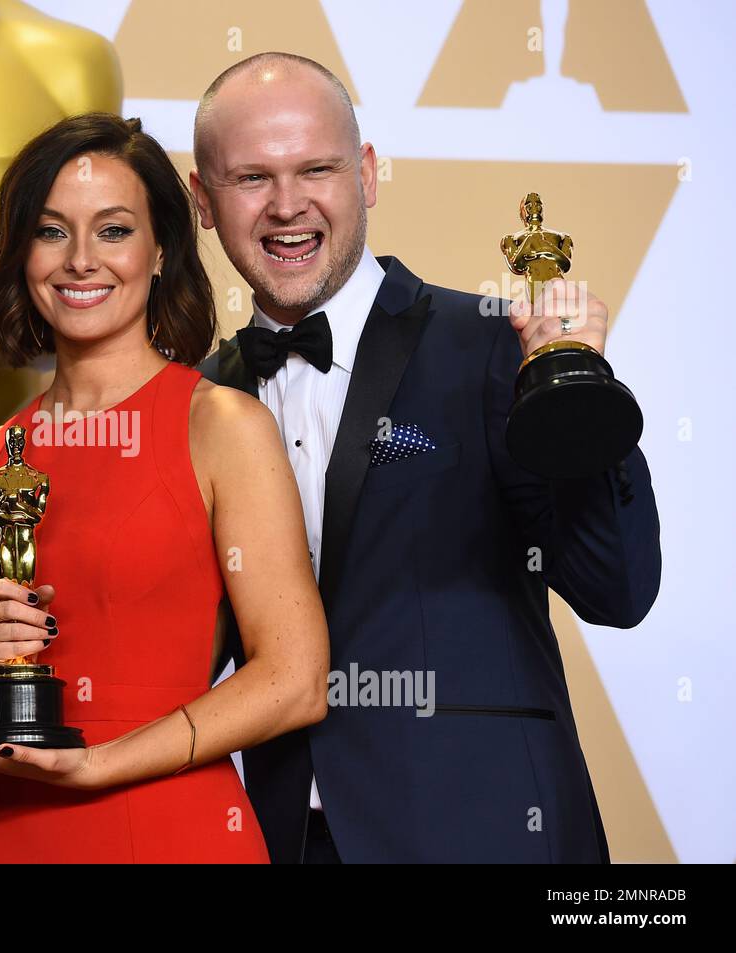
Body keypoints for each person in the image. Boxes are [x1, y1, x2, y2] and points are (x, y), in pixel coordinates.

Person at [191, 53, 662, 863]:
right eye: (251, 179)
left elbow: (617, 588)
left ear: (368, 174)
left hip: (484, 831)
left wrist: (579, 404)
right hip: (282, 841)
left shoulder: (488, 343)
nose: (287, 205)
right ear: (203, 199)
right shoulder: (198, 401)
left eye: (317, 168)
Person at [0, 112, 330, 863]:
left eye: (113, 231)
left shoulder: (221, 426)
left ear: (161, 249)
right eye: (50, 231)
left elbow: (296, 679)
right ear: (20, 253)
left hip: (166, 826)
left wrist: (97, 762)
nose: (80, 260)